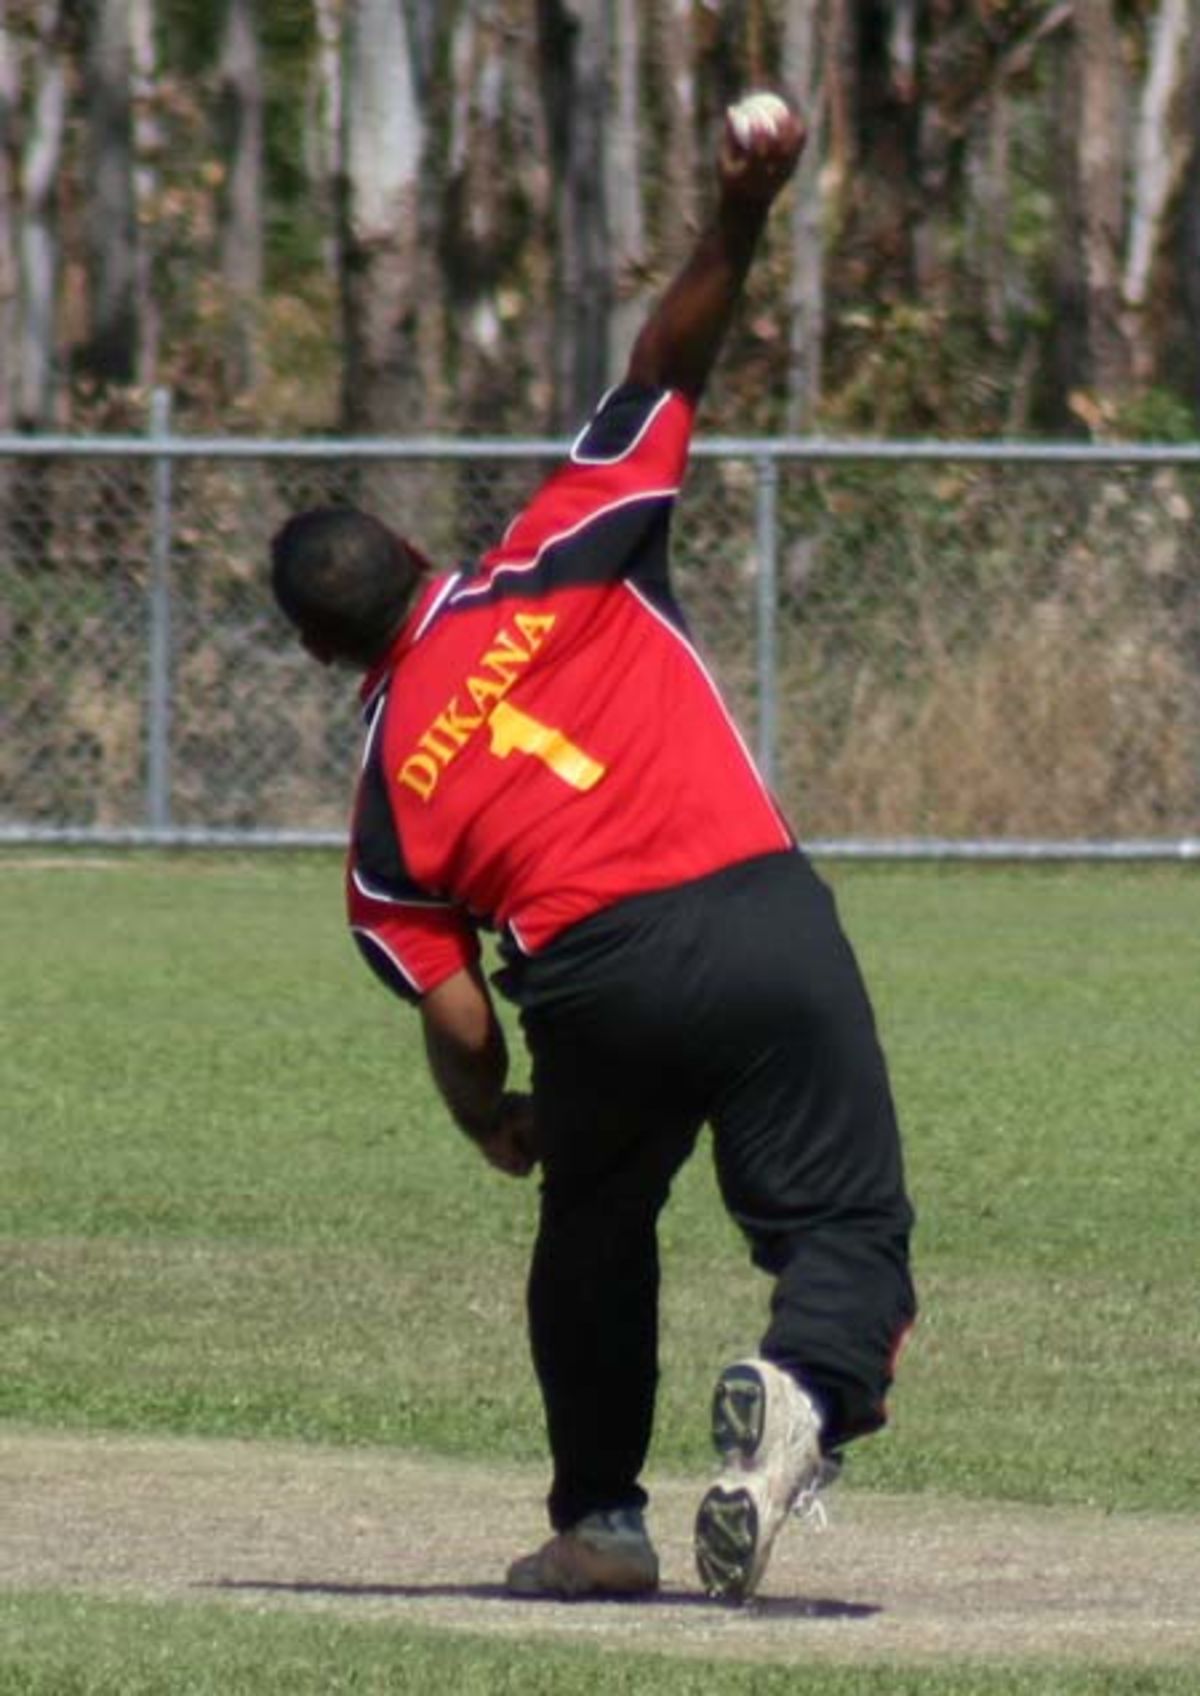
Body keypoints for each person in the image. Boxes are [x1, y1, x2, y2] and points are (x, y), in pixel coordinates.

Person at [270, 94, 916, 1605]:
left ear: (319, 652)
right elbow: (666, 362)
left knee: (594, 1235)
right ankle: (803, 1388)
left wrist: (490, 1115)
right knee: (841, 1221)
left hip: (590, 983)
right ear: (418, 554)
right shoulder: (560, 552)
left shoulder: (386, 798)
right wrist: (742, 208)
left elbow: (450, 1007)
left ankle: (601, 1527)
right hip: (756, 918)